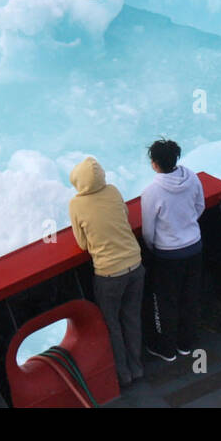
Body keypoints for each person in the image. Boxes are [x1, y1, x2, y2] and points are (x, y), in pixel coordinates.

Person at [69, 156, 146, 388]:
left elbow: (82, 244)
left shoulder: (76, 205)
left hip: (109, 273)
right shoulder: (112, 191)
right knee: (132, 318)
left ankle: (123, 376)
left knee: (112, 324)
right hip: (135, 264)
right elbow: (123, 216)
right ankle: (138, 367)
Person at [140, 138, 205, 361]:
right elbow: (200, 207)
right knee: (190, 295)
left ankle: (167, 349)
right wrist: (186, 228)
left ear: (155, 163)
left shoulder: (152, 191)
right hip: (194, 246)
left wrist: (157, 245)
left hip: (168, 255)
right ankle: (186, 344)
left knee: (166, 301)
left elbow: (148, 230)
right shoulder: (192, 177)